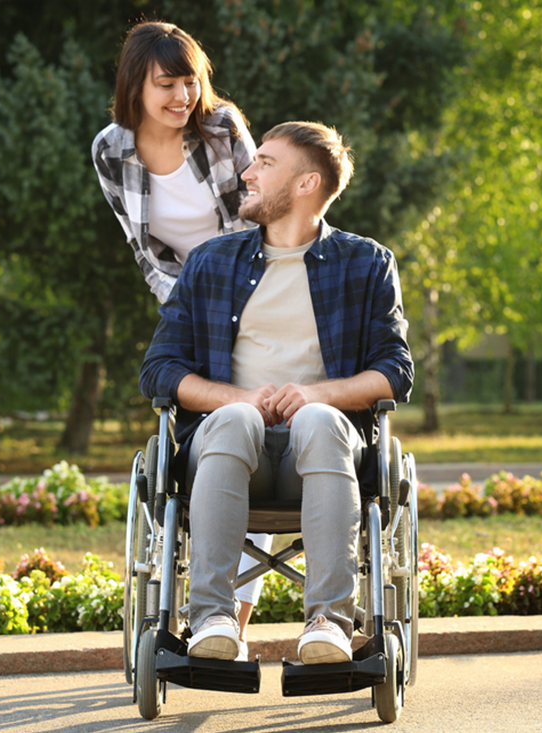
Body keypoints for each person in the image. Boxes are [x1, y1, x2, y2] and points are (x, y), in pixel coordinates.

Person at [138, 121, 413, 663]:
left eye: (264, 163)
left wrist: (318, 395)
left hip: (324, 452)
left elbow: (395, 371)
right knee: (237, 420)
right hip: (228, 451)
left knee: (318, 419)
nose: (247, 172)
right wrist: (235, 399)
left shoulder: (366, 263)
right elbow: (159, 369)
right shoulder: (212, 262)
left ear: (307, 183)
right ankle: (213, 618)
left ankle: (328, 625)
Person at [91, 20, 270, 654]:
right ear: (134, 86)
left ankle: (232, 625)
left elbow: (263, 213)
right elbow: (144, 248)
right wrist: (188, 305)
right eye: (166, 84)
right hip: (184, 299)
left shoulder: (222, 129)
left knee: (261, 437)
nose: (182, 96)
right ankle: (192, 595)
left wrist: (235, 298)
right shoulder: (110, 150)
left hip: (255, 285)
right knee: (197, 430)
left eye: (189, 81)